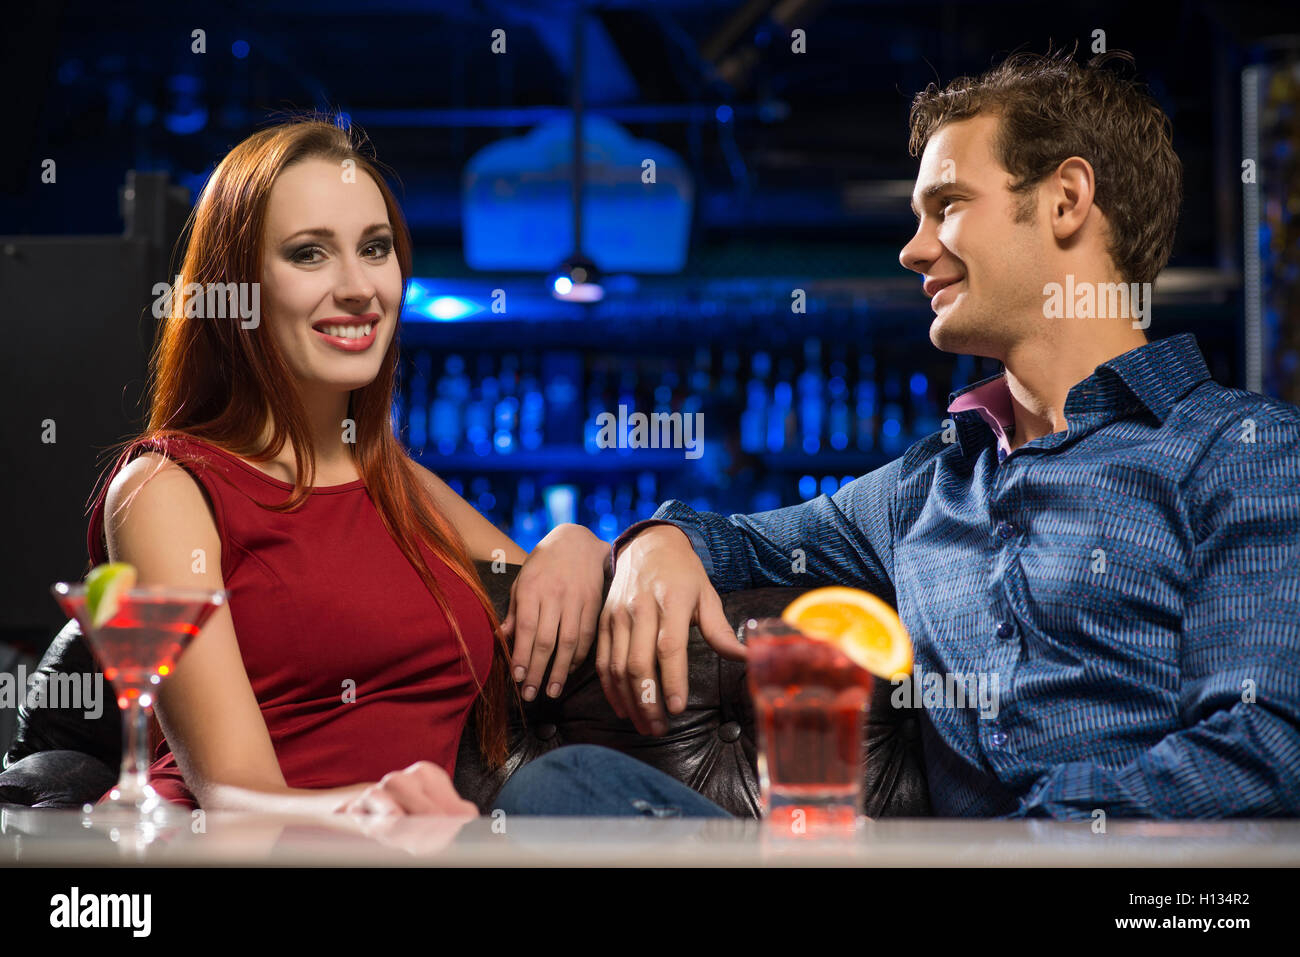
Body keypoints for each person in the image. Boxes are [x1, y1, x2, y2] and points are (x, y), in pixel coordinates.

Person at [594, 49, 1300, 819]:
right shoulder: (924, 489)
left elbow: (1264, 749)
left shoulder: (1245, 453)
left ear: (1066, 199)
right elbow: (729, 540)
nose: (914, 249)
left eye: (948, 205)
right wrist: (650, 543)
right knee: (562, 791)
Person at [87, 115, 717, 818]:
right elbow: (232, 791)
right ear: (236, 289)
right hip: (261, 851)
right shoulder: (165, 488)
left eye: (375, 248)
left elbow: (538, 595)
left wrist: (580, 544)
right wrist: (379, 812)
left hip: (419, 842)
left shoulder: (392, 478)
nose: (359, 287)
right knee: (558, 790)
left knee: (574, 787)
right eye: (309, 254)